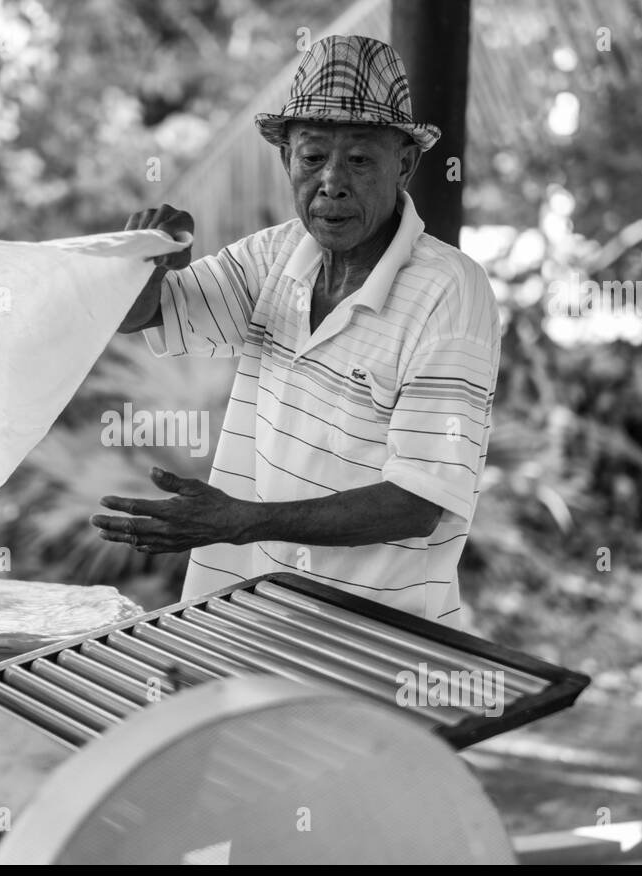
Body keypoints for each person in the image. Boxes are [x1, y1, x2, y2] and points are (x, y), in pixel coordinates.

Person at [92, 35, 501, 626]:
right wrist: (153, 253)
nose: (331, 182)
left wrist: (243, 520)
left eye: (360, 159)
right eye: (312, 157)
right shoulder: (276, 256)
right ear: (287, 160)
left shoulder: (451, 291)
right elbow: (137, 314)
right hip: (244, 624)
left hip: (375, 649)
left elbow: (417, 503)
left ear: (405, 165)